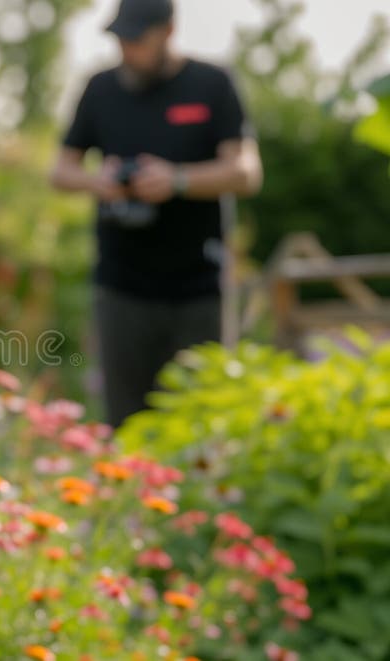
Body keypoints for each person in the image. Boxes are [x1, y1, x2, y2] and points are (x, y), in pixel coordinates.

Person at [50, 0, 263, 428]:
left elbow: (246, 173)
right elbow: (60, 172)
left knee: (203, 423)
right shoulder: (100, 89)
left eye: (137, 40)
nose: (127, 50)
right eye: (121, 40)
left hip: (199, 288)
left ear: (168, 31)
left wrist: (177, 180)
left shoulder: (212, 84)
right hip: (122, 287)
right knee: (126, 426)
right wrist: (99, 181)